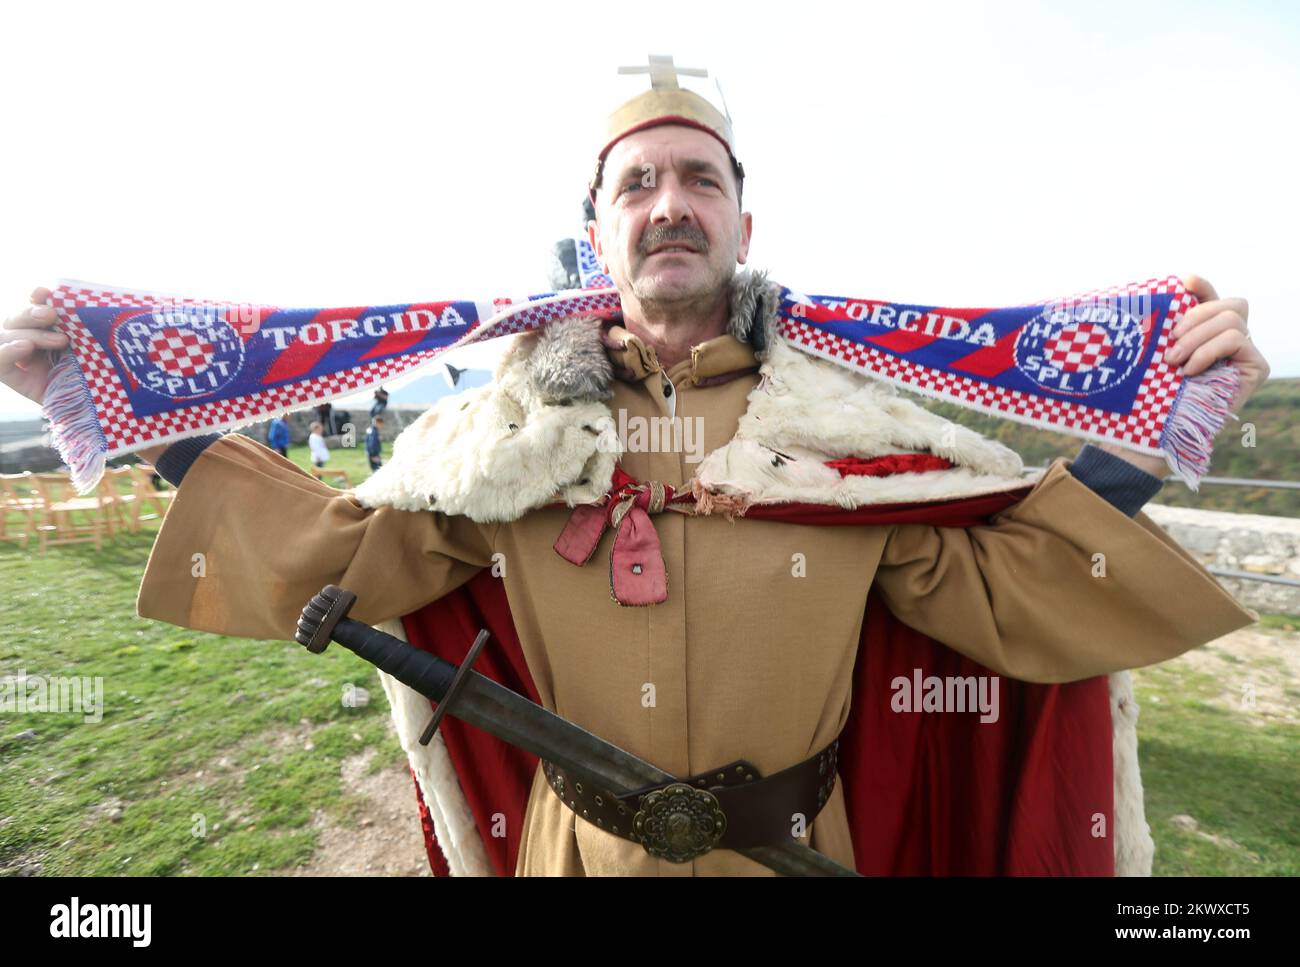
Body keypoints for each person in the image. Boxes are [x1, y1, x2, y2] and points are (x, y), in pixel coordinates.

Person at [0, 60, 1270, 877]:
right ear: (598, 229)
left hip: (798, 854)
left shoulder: (843, 435)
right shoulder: (500, 446)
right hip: (573, 859)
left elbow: (1005, 591)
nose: (671, 202)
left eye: (700, 181)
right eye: (639, 184)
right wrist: (124, 413)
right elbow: (340, 559)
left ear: (741, 222)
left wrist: (1160, 427)